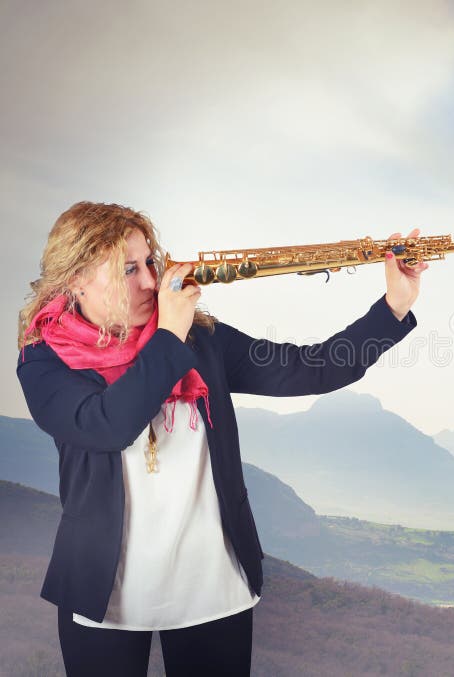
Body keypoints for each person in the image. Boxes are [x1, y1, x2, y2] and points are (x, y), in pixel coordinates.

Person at [16, 202, 425, 677]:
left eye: (150, 262)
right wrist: (169, 336)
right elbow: (107, 426)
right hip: (101, 592)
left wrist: (393, 309)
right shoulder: (44, 360)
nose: (150, 281)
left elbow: (309, 368)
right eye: (128, 269)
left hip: (213, 587)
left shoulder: (200, 339)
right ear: (76, 280)